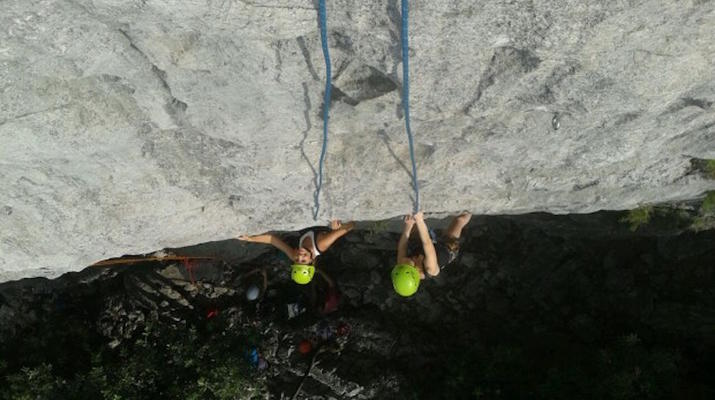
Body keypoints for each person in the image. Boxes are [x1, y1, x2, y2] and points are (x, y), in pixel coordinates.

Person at [238, 220, 355, 284]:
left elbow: (272, 240)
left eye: (297, 261)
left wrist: (250, 239)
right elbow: (351, 226)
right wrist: (339, 225)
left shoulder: (294, 255)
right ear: (311, 260)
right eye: (303, 260)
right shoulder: (322, 244)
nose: (299, 256)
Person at [392, 211, 472, 297]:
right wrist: (419, 219)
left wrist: (409, 225)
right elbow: (427, 243)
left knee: (413, 224)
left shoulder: (402, 267)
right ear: (414, 270)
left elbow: (402, 246)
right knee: (460, 219)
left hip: (419, 248)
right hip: (445, 249)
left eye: (401, 263)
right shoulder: (430, 268)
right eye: (406, 262)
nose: (402, 261)